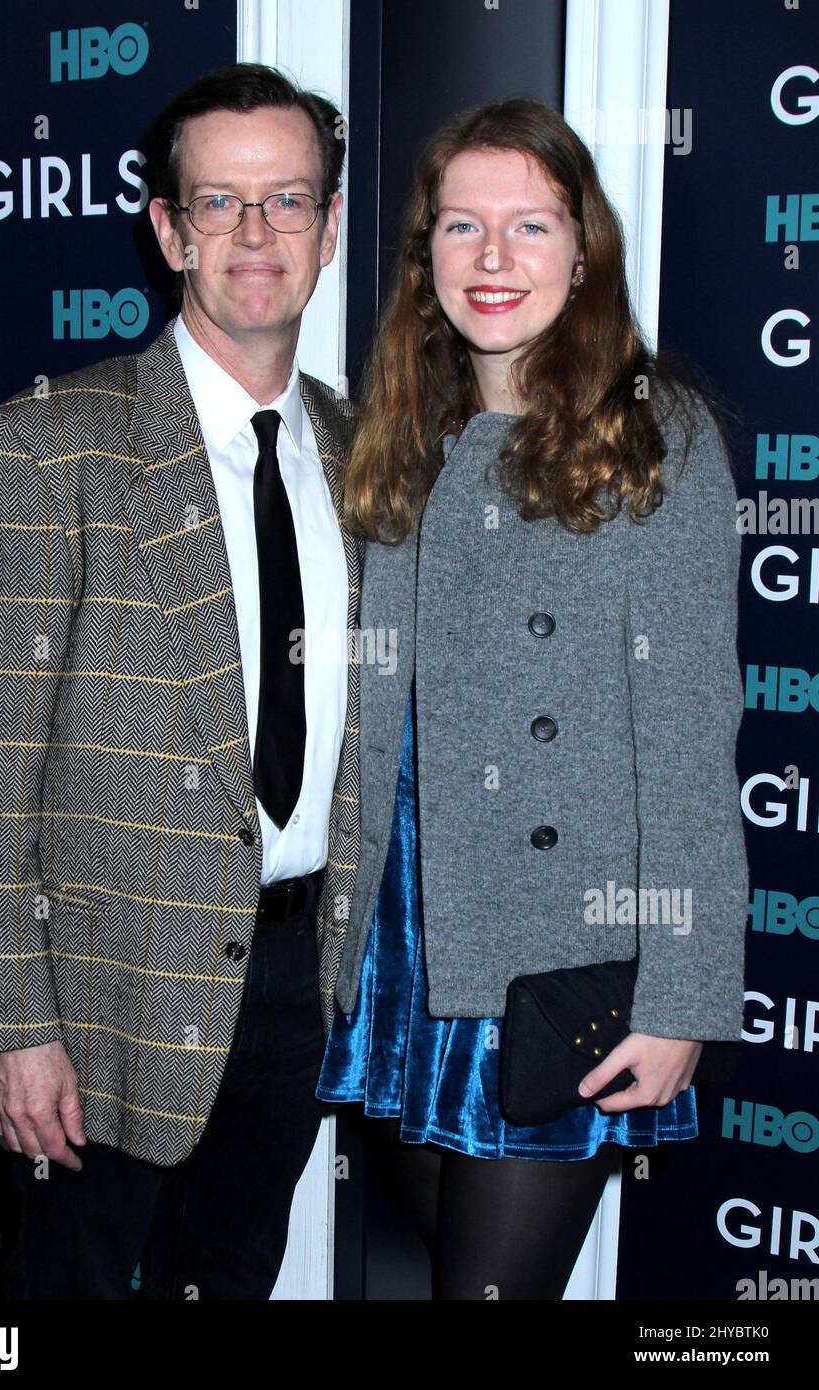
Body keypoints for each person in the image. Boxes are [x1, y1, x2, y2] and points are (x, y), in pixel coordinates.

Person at [0, 62, 361, 1301]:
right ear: (169, 229)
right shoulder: (48, 444)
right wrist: (14, 1026)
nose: (257, 233)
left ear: (329, 228)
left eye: (287, 201)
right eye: (219, 203)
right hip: (98, 991)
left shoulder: (362, 453)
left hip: (293, 983)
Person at [317, 97, 748, 1300]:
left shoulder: (655, 437)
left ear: (582, 250)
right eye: (462, 226)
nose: (493, 260)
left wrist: (685, 994)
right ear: (425, 256)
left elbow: (686, 740)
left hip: (549, 946)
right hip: (403, 936)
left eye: (529, 226)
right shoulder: (396, 433)